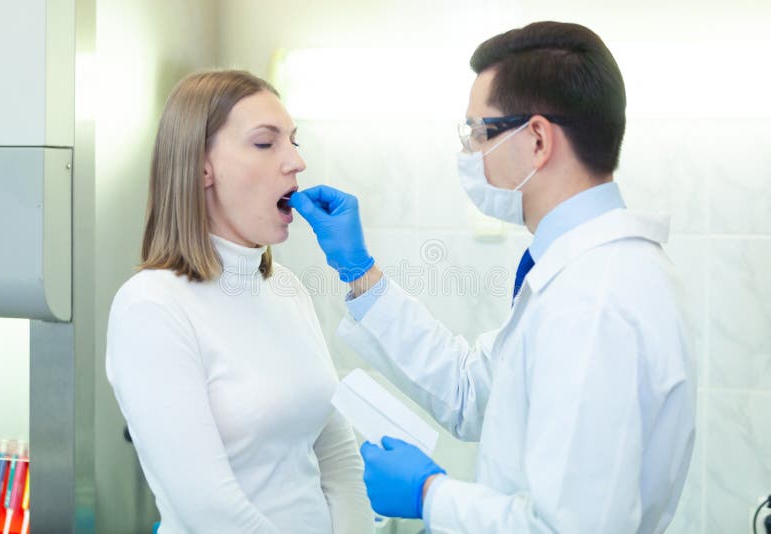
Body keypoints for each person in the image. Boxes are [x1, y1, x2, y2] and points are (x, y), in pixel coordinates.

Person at [290, 21, 695, 533]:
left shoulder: (595, 301)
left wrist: (431, 495)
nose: (469, 153)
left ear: (538, 139)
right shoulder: (584, 276)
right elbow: (472, 390)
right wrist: (359, 272)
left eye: (479, 133)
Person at [105, 70, 374, 533]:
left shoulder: (285, 288)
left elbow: (338, 458)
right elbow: (209, 510)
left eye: (293, 141)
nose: (296, 162)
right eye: (265, 144)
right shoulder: (151, 306)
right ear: (201, 166)